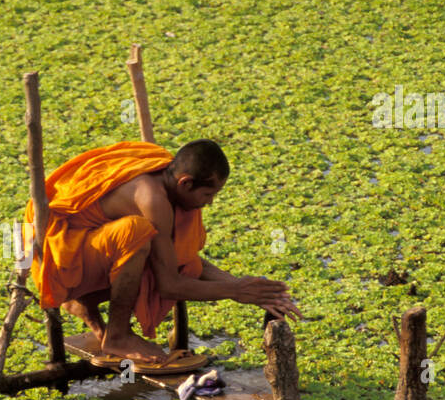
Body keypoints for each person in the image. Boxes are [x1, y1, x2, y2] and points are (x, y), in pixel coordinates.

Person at [22, 138, 302, 369]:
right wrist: (235, 292)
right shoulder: (152, 199)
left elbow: (180, 260)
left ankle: (85, 303)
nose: (210, 203)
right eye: (207, 195)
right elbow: (169, 283)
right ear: (185, 183)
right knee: (134, 232)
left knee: (167, 255)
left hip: (84, 250)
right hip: (60, 260)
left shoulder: (162, 176)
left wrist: (243, 285)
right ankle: (117, 335)